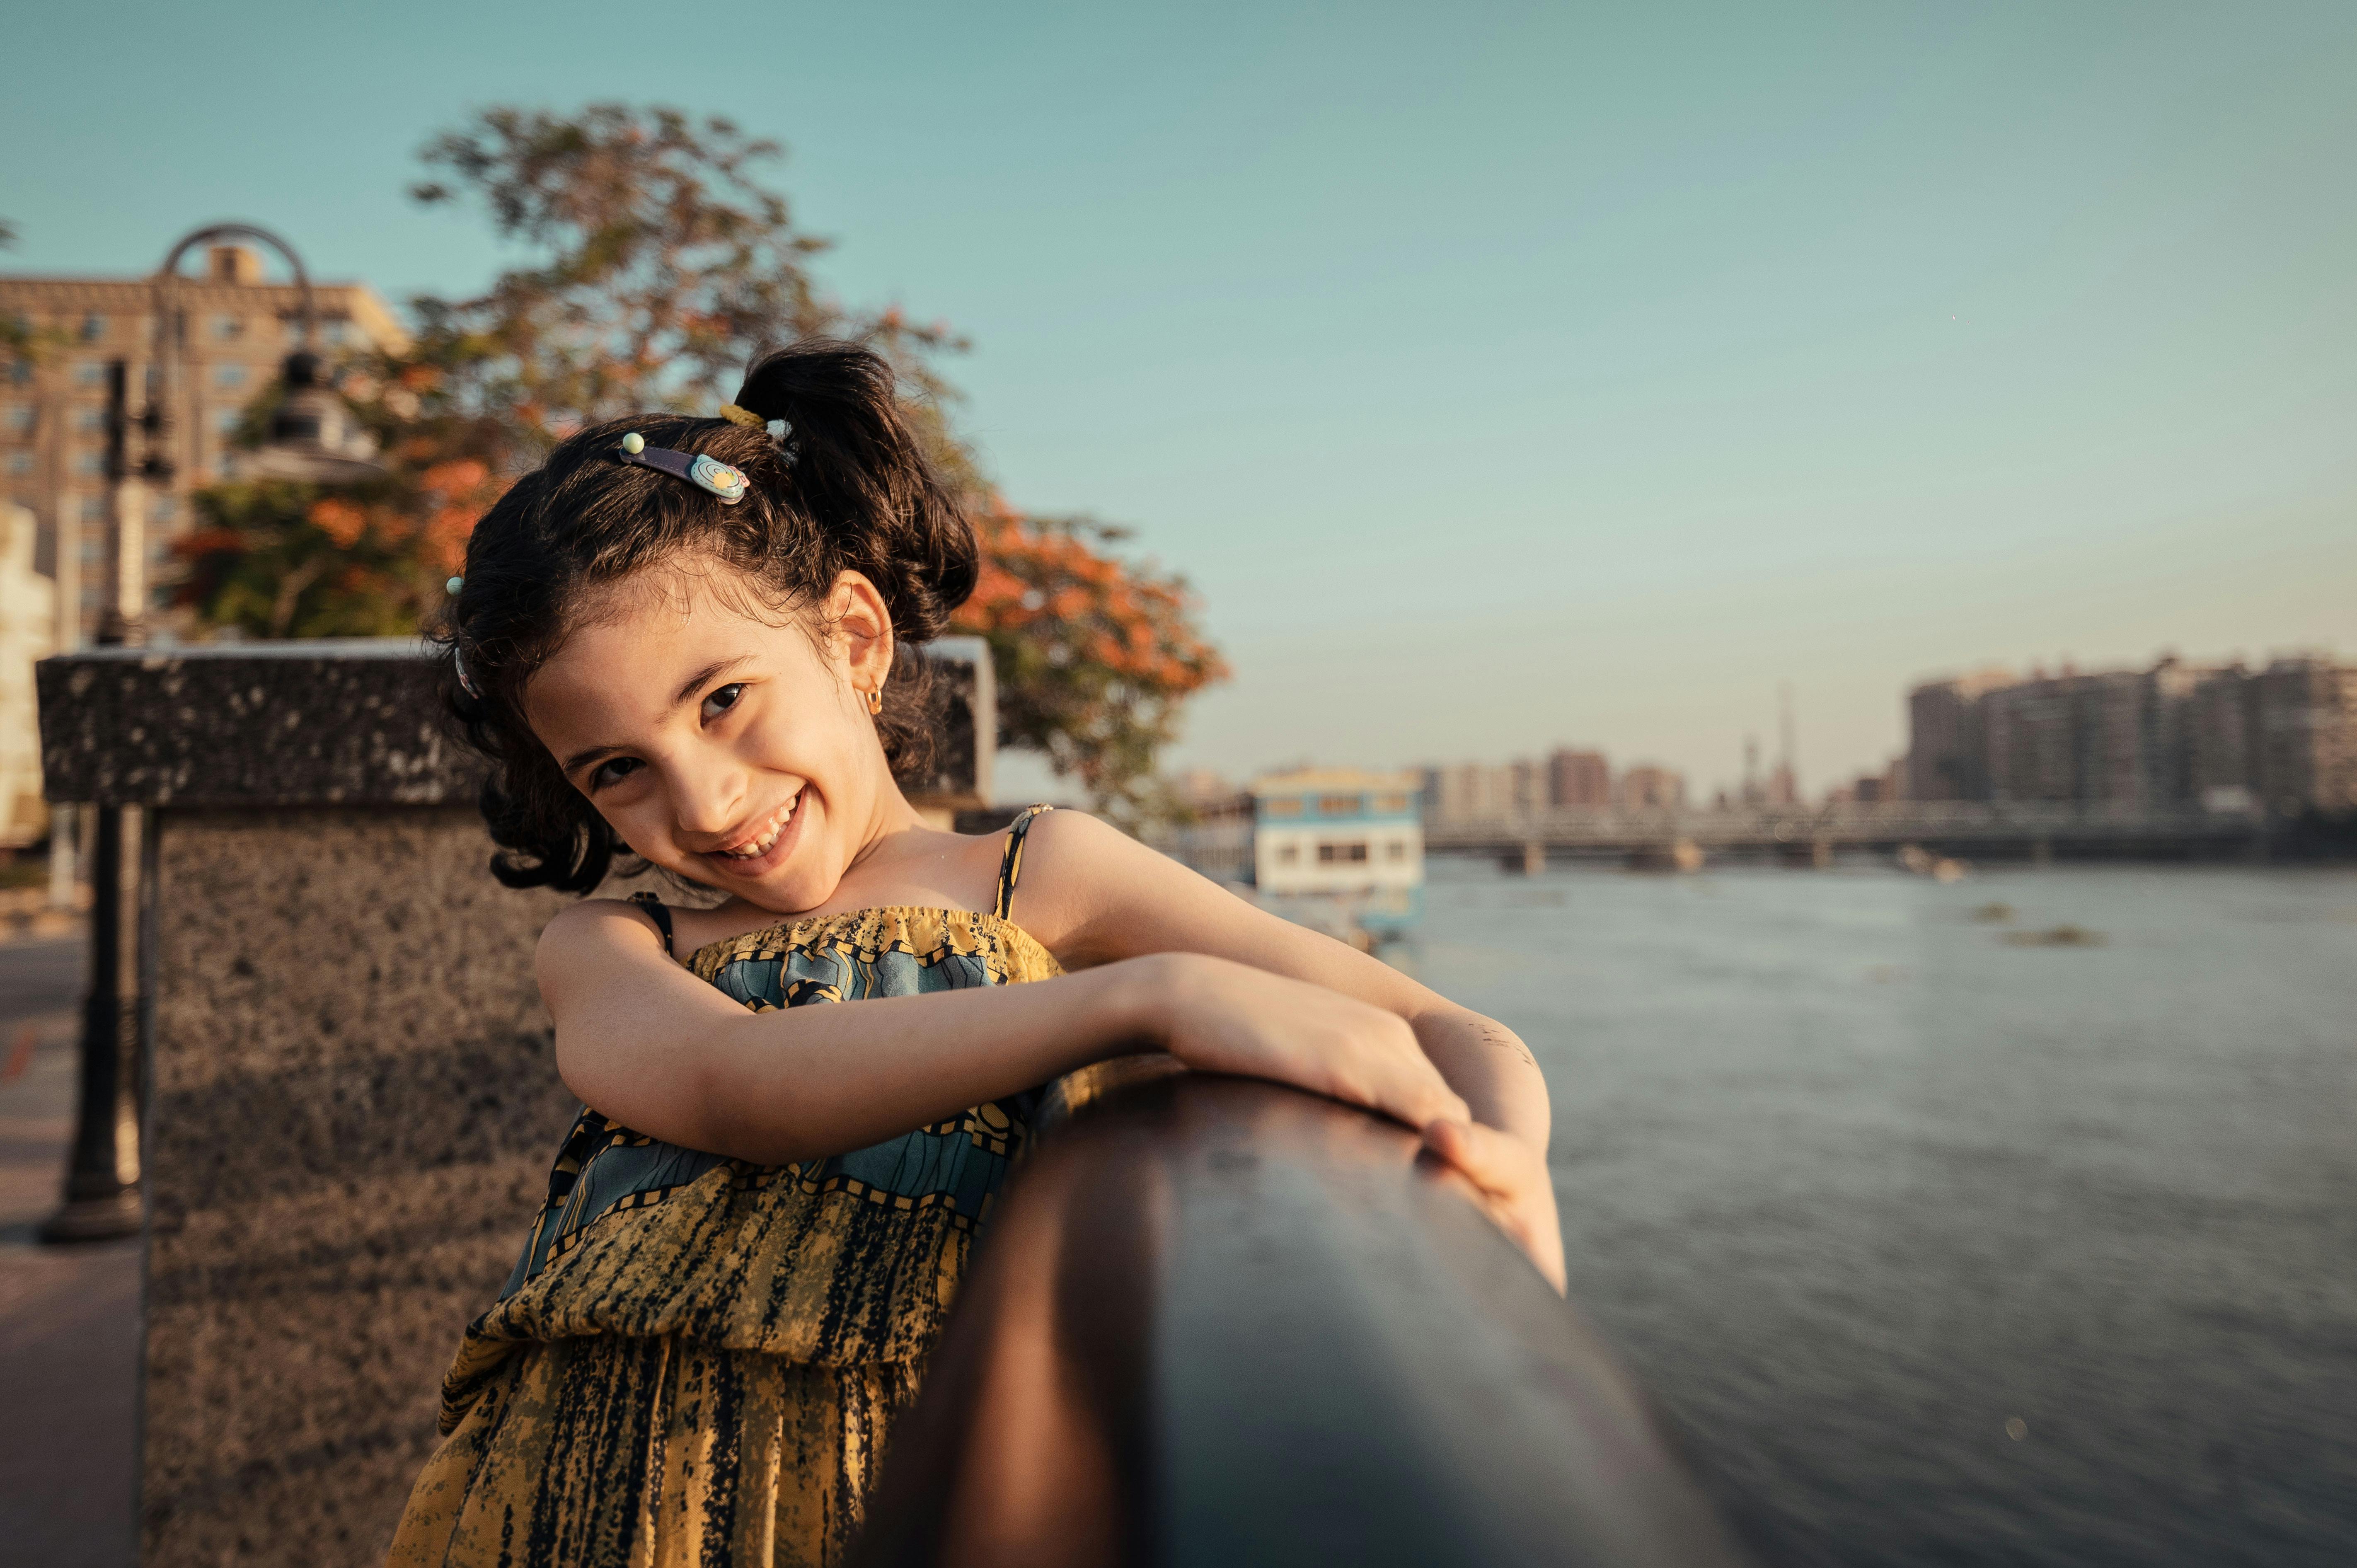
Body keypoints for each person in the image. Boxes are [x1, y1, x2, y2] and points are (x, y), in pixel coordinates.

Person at [387, 340, 1560, 1568]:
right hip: (566, 1501)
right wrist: (1153, 999)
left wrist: (1503, 1162)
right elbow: (729, 1086)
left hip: (900, 1493)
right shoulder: (617, 943)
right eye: (617, 771)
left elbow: (1454, 1030)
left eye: (722, 700)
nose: (708, 802)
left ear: (853, 639)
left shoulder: (1034, 875)